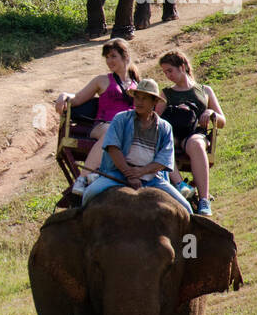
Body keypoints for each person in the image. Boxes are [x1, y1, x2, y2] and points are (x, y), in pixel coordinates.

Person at [81, 78, 192, 213]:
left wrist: (142, 172)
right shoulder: (121, 118)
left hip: (152, 179)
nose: (139, 102)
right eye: (137, 97)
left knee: (185, 207)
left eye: (144, 98)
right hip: (117, 174)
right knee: (89, 193)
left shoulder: (165, 127)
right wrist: (130, 175)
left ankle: (189, 235)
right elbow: (112, 148)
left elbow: (164, 160)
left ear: (155, 102)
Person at [54, 38, 141, 196]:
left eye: (113, 56)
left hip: (130, 130)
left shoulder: (138, 84)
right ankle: (83, 177)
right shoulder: (101, 80)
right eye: (107, 57)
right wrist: (64, 95)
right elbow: (78, 99)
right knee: (112, 130)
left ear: (125, 56)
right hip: (104, 126)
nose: (109, 61)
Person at [156, 49, 226, 217]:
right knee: (163, 141)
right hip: (173, 133)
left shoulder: (204, 90)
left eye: (170, 71)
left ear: (182, 67)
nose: (168, 75)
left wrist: (211, 113)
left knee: (195, 144)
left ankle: (204, 199)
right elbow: (155, 119)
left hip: (194, 134)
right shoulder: (166, 93)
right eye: (165, 72)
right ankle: (180, 185)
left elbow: (222, 121)